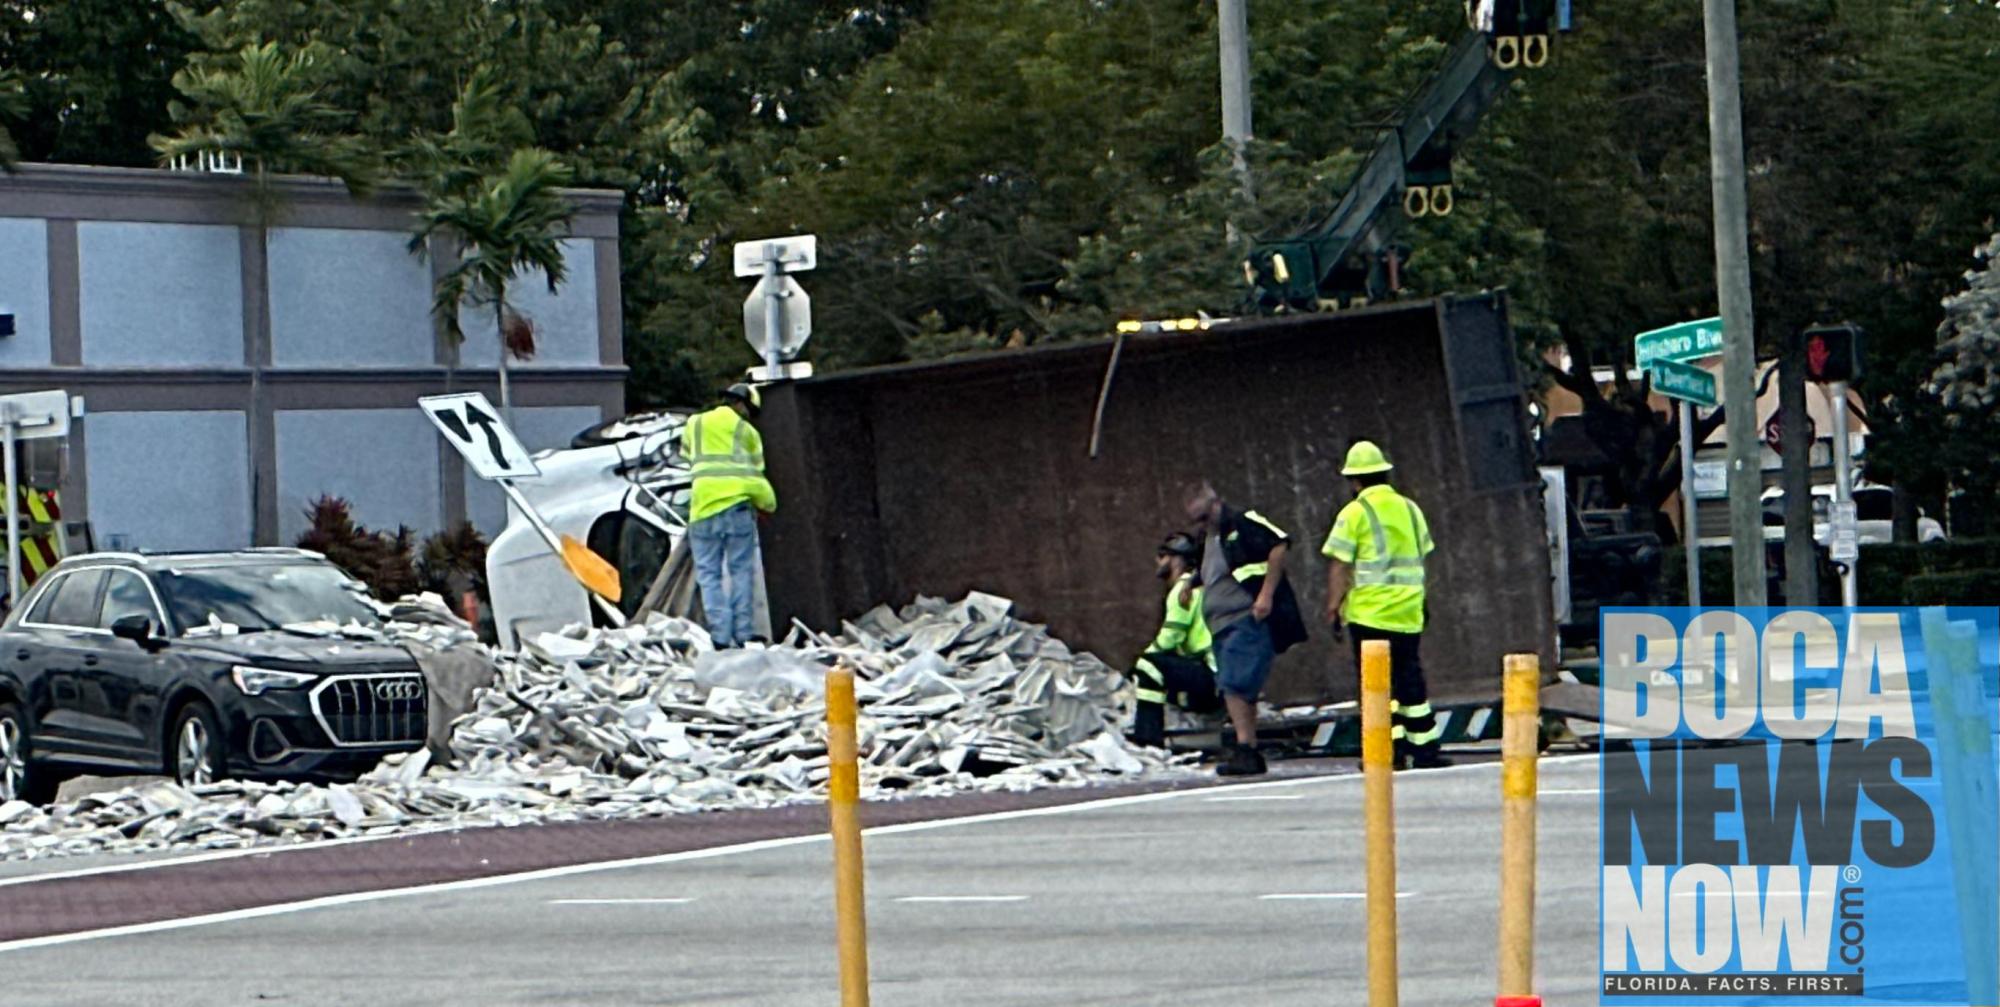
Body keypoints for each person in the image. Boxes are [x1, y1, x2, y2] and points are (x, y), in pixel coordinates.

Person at [1321, 440, 1448, 769]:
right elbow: (1422, 557)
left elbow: (1339, 565)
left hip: (1369, 613)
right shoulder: (1410, 509)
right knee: (1410, 678)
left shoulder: (1355, 513)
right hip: (1408, 610)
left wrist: (1333, 606)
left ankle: (1386, 751)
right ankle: (1425, 748)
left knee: (1377, 685)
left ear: (1355, 481)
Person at [1184, 481, 1307, 777]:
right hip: (1221, 624)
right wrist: (1190, 583)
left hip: (1244, 618)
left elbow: (1278, 543)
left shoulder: (1241, 521)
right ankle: (1247, 748)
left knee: (1234, 683)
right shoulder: (1209, 538)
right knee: (1238, 687)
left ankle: (1245, 747)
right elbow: (1211, 571)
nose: (1201, 524)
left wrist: (1265, 595)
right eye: (1195, 520)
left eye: (1203, 516)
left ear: (1215, 504)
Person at [682, 383, 776, 648]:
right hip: (737, 511)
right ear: (743, 405)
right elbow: (755, 477)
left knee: (708, 575)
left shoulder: (694, 424)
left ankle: (720, 637)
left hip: (702, 510)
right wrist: (768, 504)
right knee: (740, 571)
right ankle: (744, 633)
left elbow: (687, 456)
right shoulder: (747, 432)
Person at [1127, 532, 1221, 749]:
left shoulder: (1183, 589)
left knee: (1148, 664)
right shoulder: (1198, 585)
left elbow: (1171, 636)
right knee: (1162, 664)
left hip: (1208, 671)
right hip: (1215, 669)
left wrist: (1140, 661)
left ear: (1176, 559)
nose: (1157, 561)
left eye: (1162, 555)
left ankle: (1148, 736)